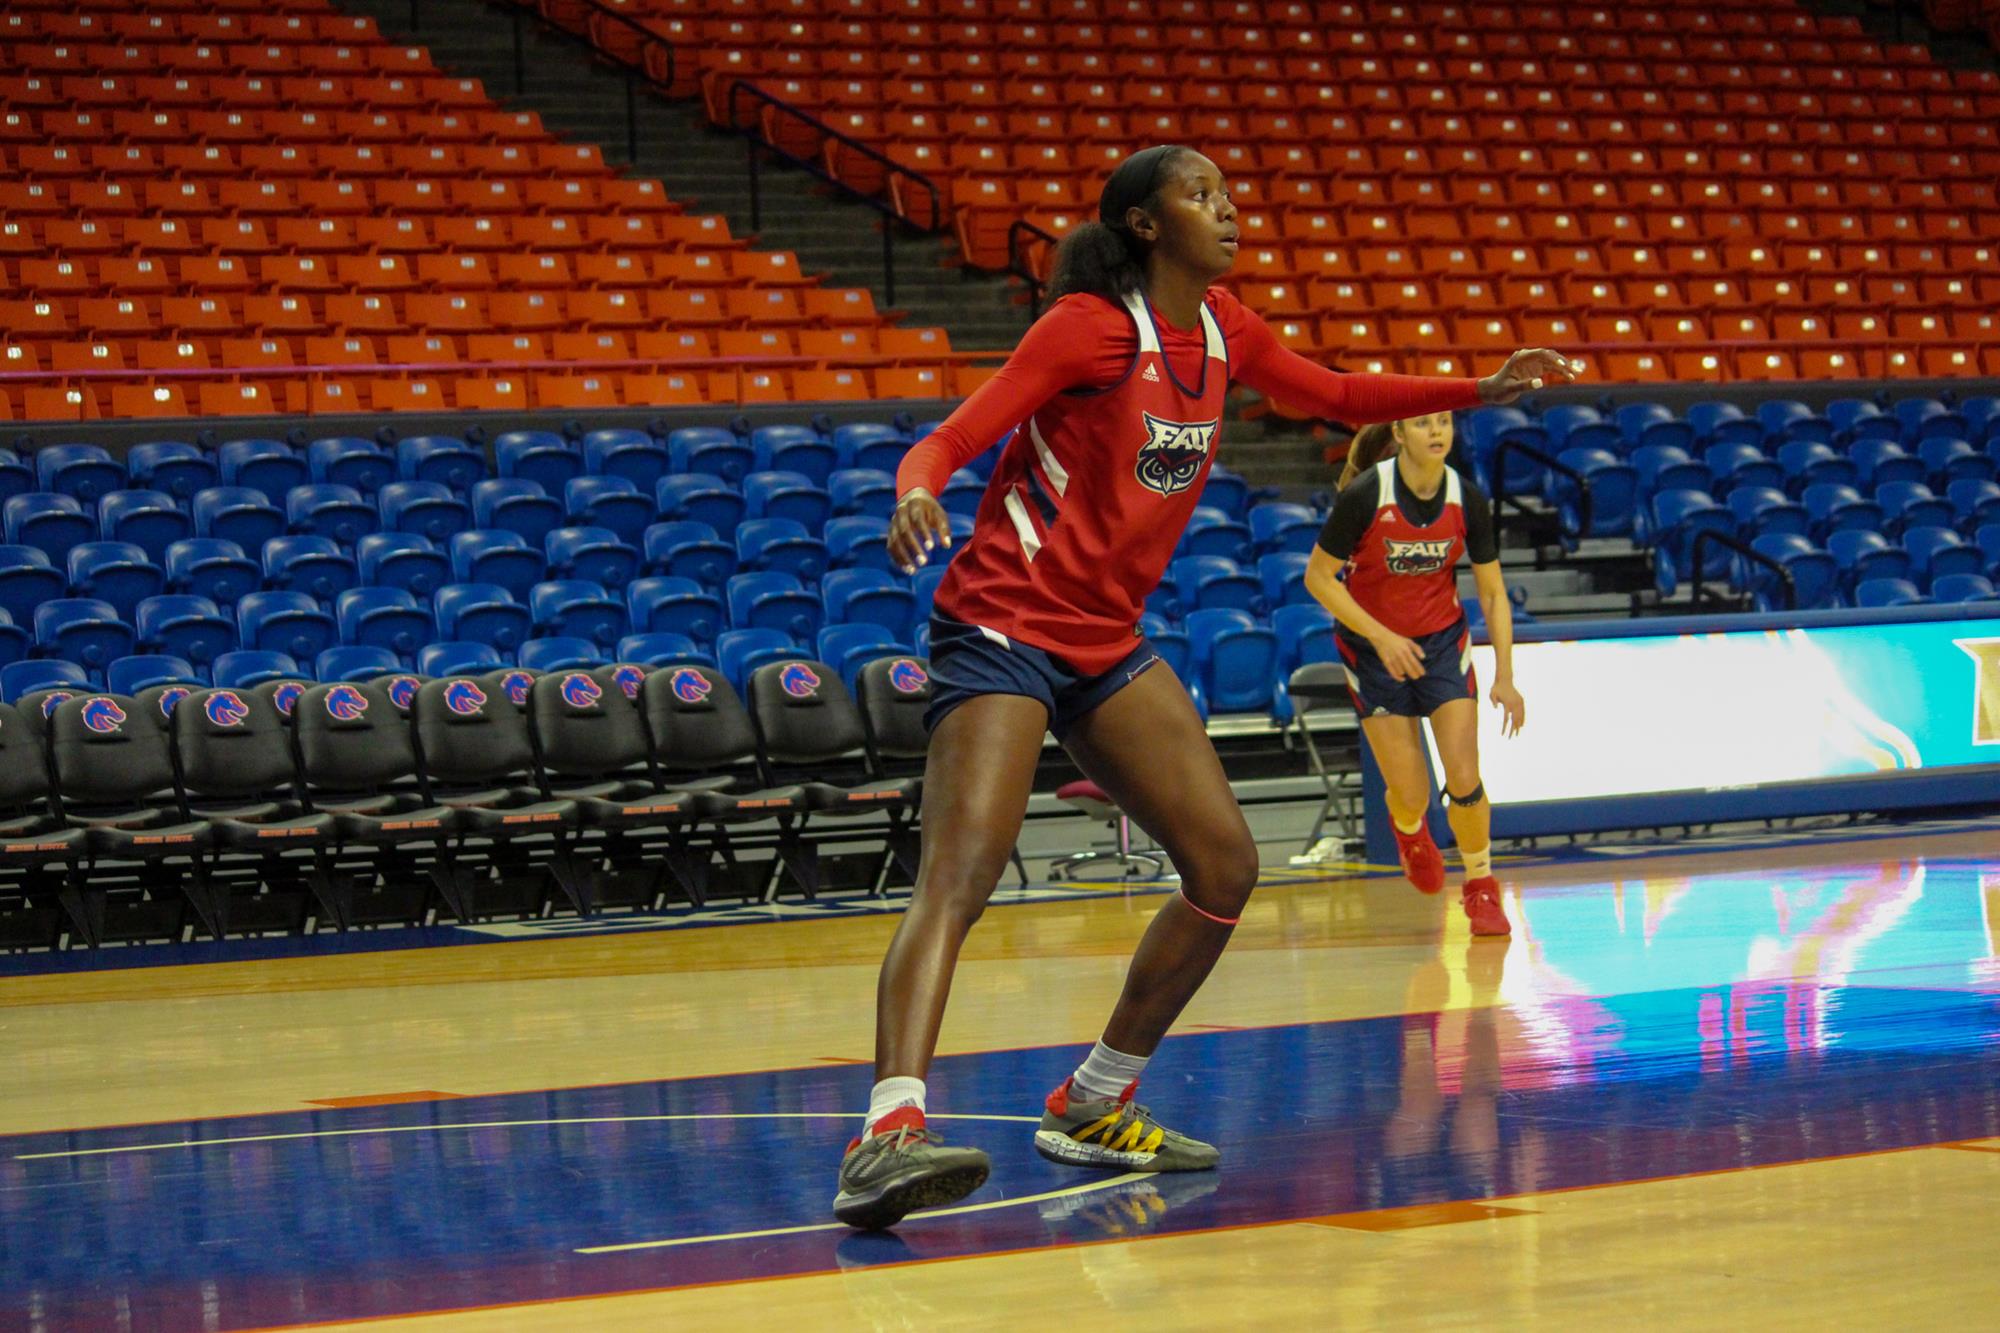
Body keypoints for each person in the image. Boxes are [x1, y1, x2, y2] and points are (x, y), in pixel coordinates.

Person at [832, 143, 1575, 1230]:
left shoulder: (1226, 328)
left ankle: (1094, 1100)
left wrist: (1480, 388)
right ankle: (887, 1131)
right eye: (1200, 196)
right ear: (1145, 225)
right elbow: (954, 435)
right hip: (1003, 623)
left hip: (1103, 639)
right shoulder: (1086, 327)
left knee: (1225, 865)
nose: (1227, 210)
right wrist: (914, 491)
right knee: (962, 871)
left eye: (1228, 193)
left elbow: (1336, 393)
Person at [1303, 408, 1530, 938]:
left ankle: (1481, 885)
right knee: (1412, 793)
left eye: (1444, 423)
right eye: (1425, 424)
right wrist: (1382, 637)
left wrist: (1505, 675)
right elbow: (1318, 578)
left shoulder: (1466, 498)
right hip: (1373, 648)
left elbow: (1493, 593)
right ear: (1400, 434)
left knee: (1465, 774)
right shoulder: (1367, 494)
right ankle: (1409, 829)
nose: (1437, 432)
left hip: (1442, 644)